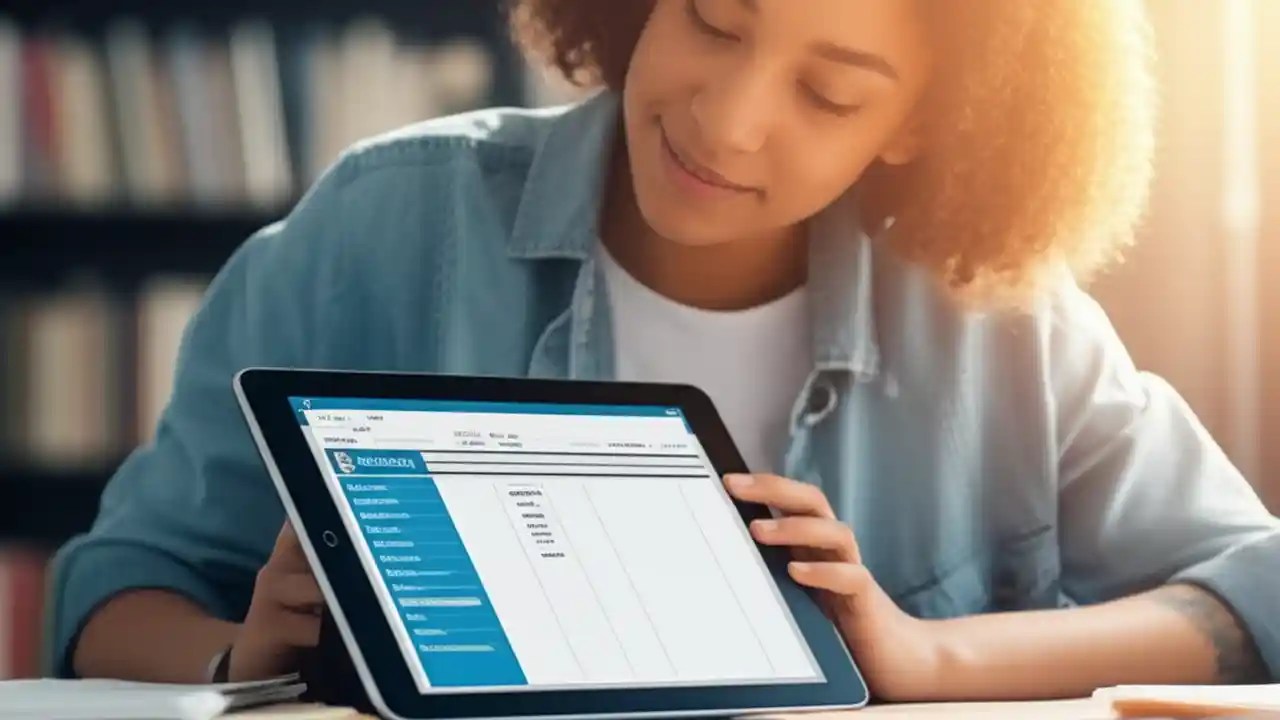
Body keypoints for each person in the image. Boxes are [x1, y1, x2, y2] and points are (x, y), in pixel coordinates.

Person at [54, 0, 1279, 702]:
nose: (727, 120)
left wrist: (925, 656)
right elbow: (111, 589)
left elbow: (1253, 589)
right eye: (711, 20)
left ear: (924, 124)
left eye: (831, 95)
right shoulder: (387, 224)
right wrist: (240, 661)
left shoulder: (998, 318)